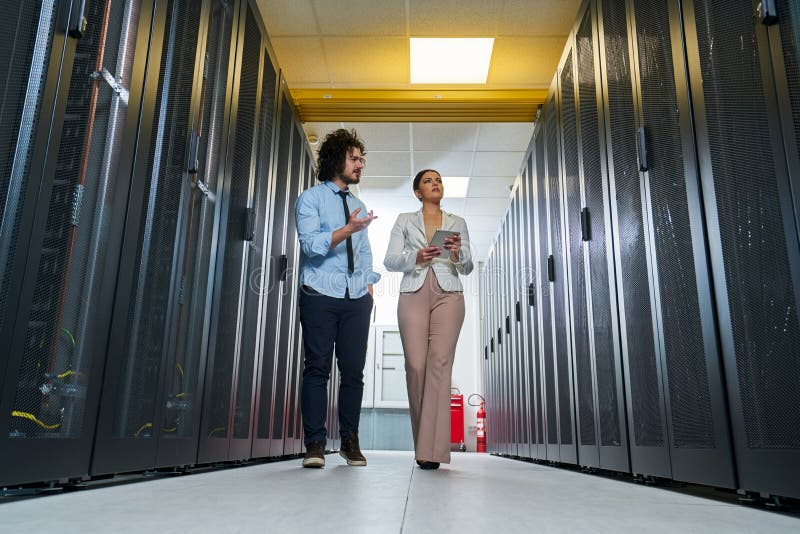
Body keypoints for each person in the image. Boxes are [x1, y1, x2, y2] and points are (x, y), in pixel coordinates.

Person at [295, 129, 379, 468]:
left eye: (362, 159)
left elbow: (365, 253)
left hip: (356, 298)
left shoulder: (357, 205)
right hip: (319, 292)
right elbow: (311, 246)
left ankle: (349, 441)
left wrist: (369, 287)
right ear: (336, 160)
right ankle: (315, 443)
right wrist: (346, 229)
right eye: (354, 158)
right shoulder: (311, 199)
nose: (360, 164)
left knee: (354, 372)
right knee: (317, 368)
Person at [383, 169, 473, 470]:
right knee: (416, 366)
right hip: (414, 291)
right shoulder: (404, 220)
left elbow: (468, 266)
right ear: (418, 192)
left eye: (438, 180)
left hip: (449, 294)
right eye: (428, 181)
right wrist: (417, 257)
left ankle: (430, 451)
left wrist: (458, 254)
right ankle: (423, 442)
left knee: (439, 364)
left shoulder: (457, 223)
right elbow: (391, 260)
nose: (435, 183)